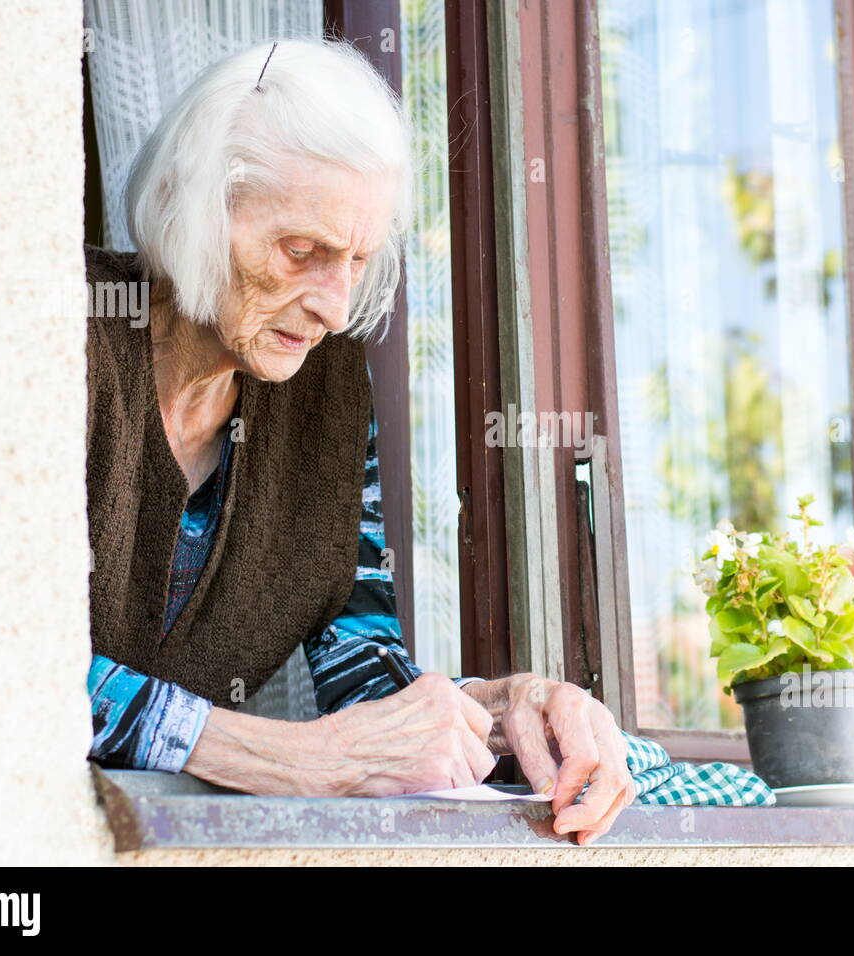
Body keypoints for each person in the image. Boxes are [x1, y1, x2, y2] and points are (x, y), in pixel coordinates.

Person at [83, 38, 633, 846]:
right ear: (184, 205)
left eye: (357, 261)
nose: (335, 310)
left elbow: (361, 676)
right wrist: (285, 759)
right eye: (300, 252)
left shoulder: (325, 392)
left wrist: (504, 707)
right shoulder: (61, 335)